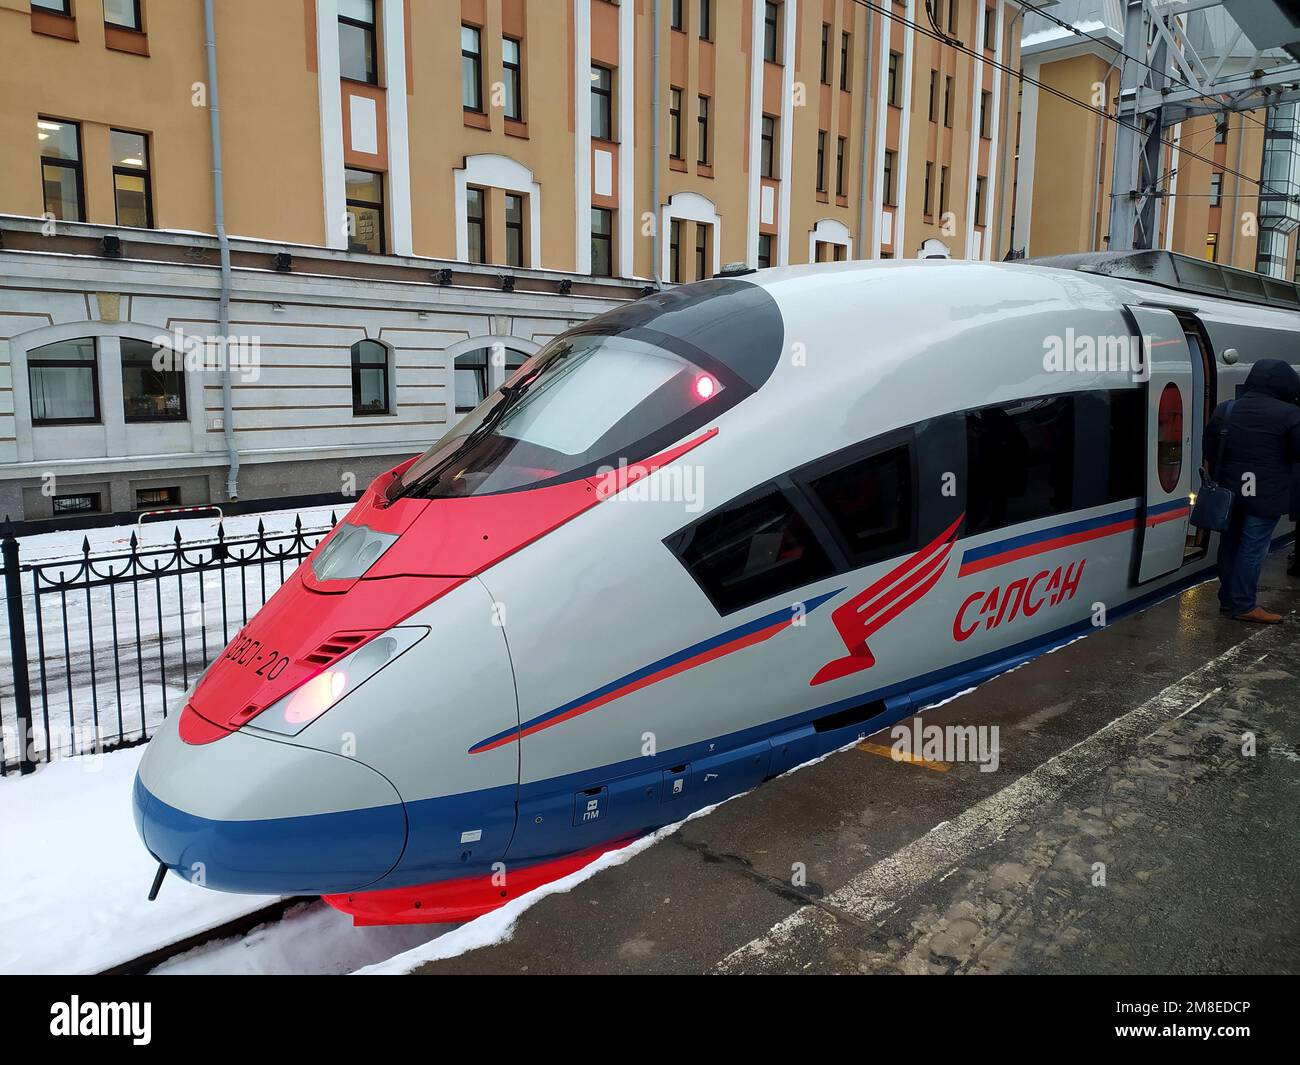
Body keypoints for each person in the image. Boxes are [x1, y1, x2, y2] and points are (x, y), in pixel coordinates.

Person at [1203, 358, 1300, 622]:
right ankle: (1244, 605)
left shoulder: (1227, 409)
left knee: (1230, 544)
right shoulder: (1290, 414)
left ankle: (1228, 599)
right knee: (1253, 547)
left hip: (1230, 492)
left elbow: (1209, 449)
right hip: (1267, 494)